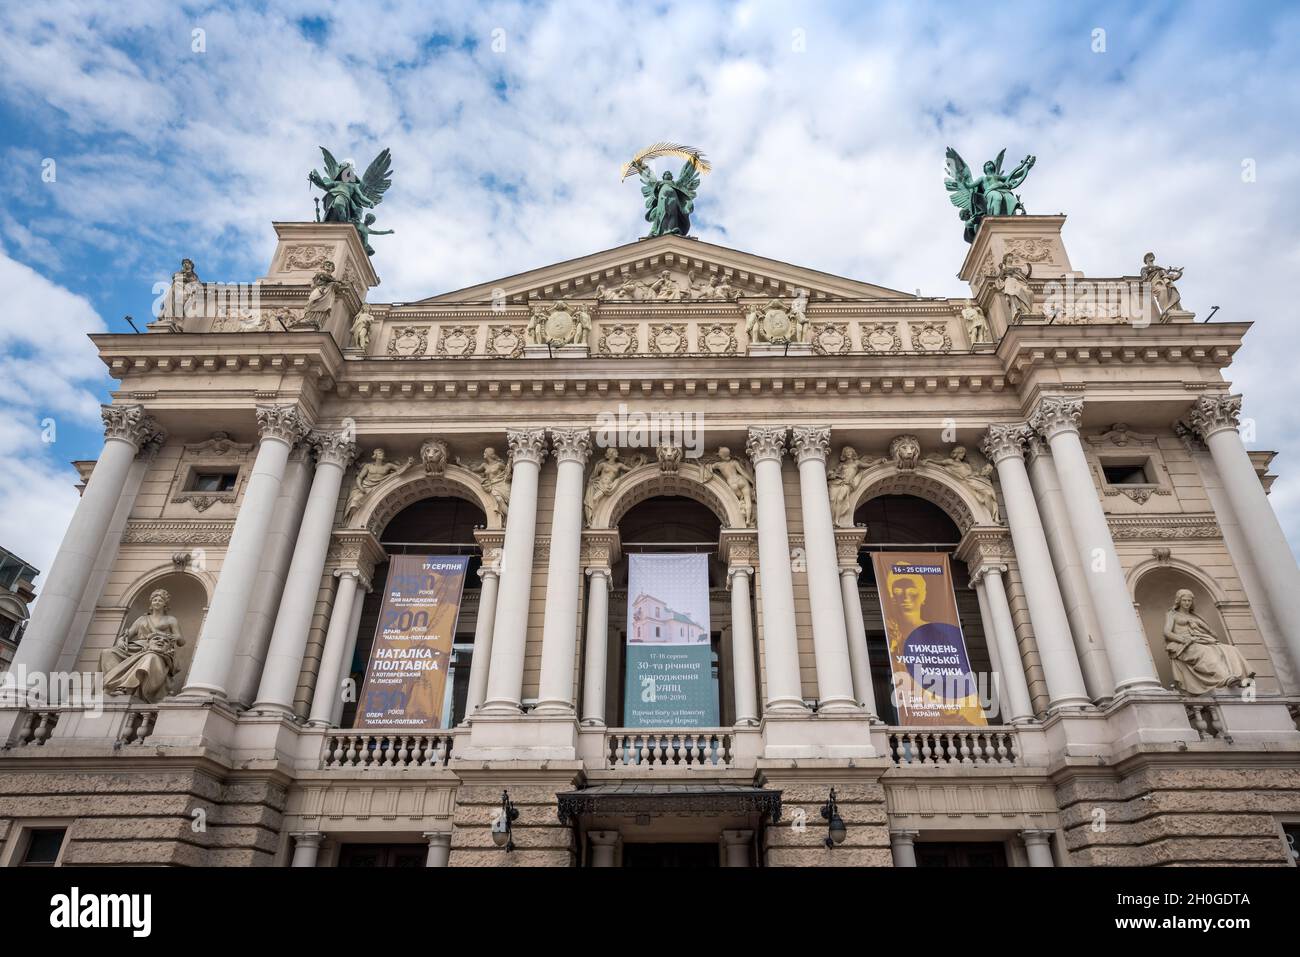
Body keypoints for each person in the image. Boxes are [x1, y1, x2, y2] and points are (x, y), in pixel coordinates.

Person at [100, 589, 185, 703]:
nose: (157, 602)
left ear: (165, 604)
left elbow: (181, 641)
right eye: (154, 600)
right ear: (151, 602)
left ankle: (125, 687)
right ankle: (114, 685)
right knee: (107, 653)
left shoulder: (171, 620)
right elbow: (128, 634)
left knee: (149, 657)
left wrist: (176, 637)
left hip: (157, 649)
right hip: (138, 647)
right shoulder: (142, 619)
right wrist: (121, 640)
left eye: (160, 600)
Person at [1164, 589, 1253, 694]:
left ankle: (1242, 677)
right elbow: (1167, 633)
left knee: (1230, 649)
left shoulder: (1195, 616)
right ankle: (1224, 678)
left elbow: (1213, 633)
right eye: (1184, 600)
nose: (1187, 603)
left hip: (1203, 640)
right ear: (1179, 601)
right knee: (1206, 652)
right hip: (1185, 644)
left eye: (1189, 601)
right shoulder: (1172, 614)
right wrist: (1184, 640)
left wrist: (1199, 628)